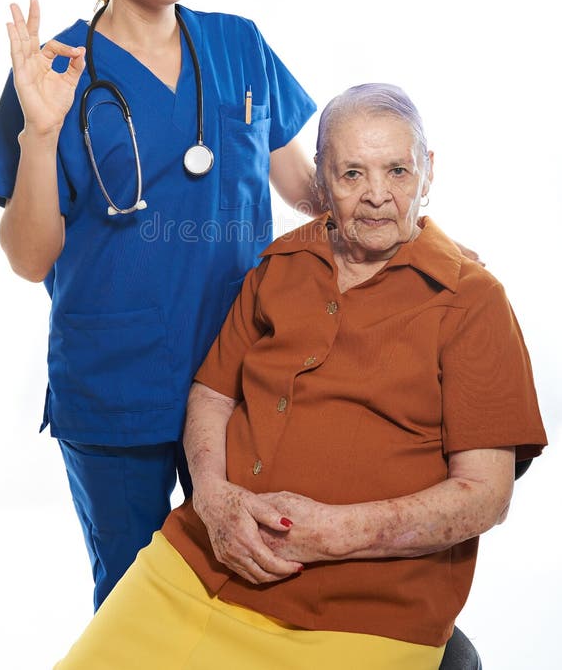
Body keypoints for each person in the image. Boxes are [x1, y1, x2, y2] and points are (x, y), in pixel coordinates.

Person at [54, 83, 546, 670]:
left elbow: (486, 496)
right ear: (321, 178)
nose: (377, 197)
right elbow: (211, 393)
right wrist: (212, 500)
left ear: (428, 171)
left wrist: (335, 533)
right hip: (203, 560)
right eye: (352, 175)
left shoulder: (473, 300)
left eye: (397, 171)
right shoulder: (280, 265)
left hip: (365, 607)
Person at [0, 0, 318, 610]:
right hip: (114, 382)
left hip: (240, 377)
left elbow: (305, 184)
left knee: (251, 580)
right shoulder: (54, 68)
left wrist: (384, 171)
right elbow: (29, 260)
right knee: (136, 599)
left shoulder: (239, 46)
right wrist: (38, 132)